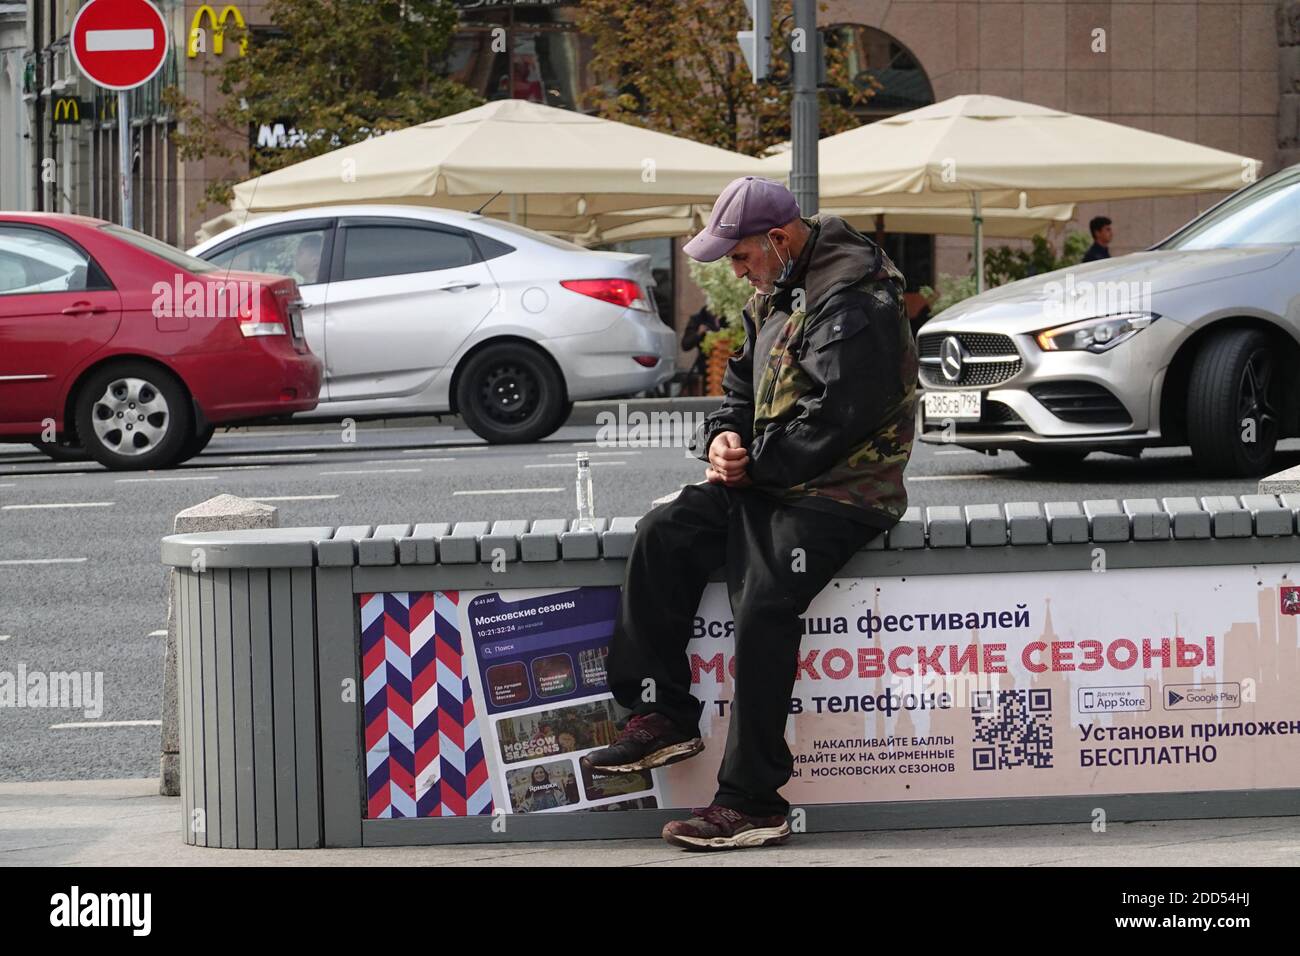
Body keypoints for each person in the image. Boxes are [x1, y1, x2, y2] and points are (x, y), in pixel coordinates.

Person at [581, 176, 918, 851]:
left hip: (844, 492)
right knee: (663, 533)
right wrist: (723, 438)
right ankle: (663, 712)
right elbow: (740, 384)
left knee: (764, 604)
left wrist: (751, 467)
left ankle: (752, 801)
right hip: (770, 476)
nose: (736, 273)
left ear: (779, 238)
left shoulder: (857, 301)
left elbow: (836, 422)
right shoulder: (776, 287)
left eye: (739, 258)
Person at [679, 305, 722, 395]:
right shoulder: (698, 319)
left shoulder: (728, 317)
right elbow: (686, 344)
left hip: (727, 366)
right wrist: (699, 333)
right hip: (707, 369)